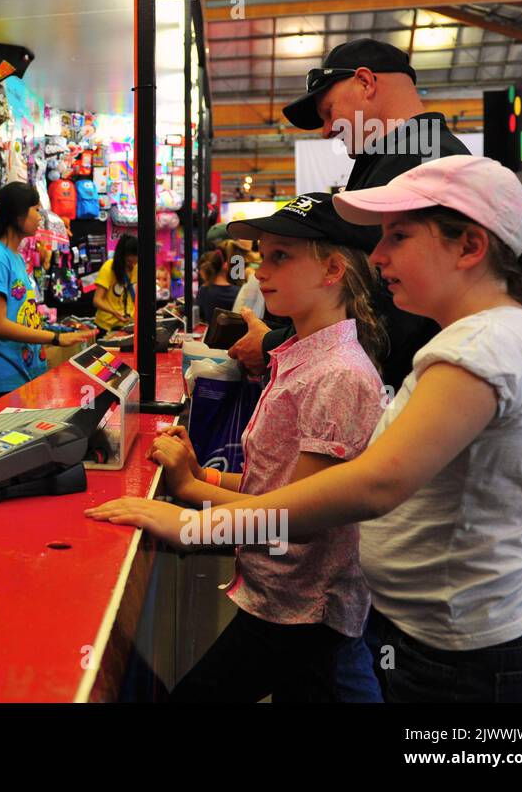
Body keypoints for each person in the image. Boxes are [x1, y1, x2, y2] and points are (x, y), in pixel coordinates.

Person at [89, 156, 522, 703]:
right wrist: (201, 491)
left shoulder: (481, 346)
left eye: (399, 236)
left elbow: (372, 486)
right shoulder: (487, 336)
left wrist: (195, 523)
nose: (380, 254)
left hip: (468, 657)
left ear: (468, 247)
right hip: (448, 642)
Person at [139, 194, 387, 702]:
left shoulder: (337, 373)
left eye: (281, 256)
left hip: (305, 611)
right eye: (262, 257)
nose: (261, 272)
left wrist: (190, 515)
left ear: (333, 269)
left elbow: (296, 519)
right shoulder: (302, 356)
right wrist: (203, 478)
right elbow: (275, 487)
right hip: (285, 603)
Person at [229, 39, 471, 391]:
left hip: (407, 395)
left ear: (365, 82)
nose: (327, 130)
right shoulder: (394, 160)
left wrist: (275, 344)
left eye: (329, 111)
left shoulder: (422, 164)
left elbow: (398, 310)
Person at [0, 182, 96, 403]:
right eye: (36, 210)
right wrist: (56, 338)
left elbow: (20, 315)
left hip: (24, 370)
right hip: (5, 374)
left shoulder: (15, 257)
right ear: (18, 214)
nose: (40, 217)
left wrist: (61, 329)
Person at [93, 234, 137, 333]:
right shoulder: (109, 267)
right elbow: (97, 300)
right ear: (122, 255)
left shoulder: (136, 268)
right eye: (129, 261)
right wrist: (115, 313)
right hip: (106, 326)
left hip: (128, 325)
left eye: (136, 260)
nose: (133, 264)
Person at [196, 243, 245, 327]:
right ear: (224, 266)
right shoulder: (239, 292)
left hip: (210, 338)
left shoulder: (203, 291)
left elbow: (199, 317)